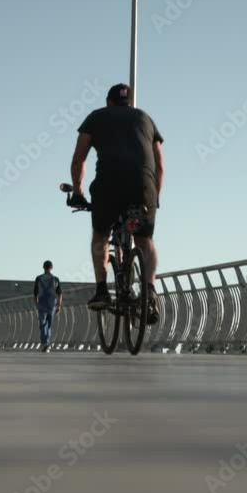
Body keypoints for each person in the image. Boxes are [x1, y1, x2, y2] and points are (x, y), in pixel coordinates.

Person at [69, 83, 164, 321]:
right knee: (144, 239)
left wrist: (78, 192)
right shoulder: (145, 118)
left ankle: (102, 290)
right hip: (143, 186)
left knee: (101, 234)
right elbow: (160, 165)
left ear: (109, 101)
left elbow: (79, 159)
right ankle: (150, 291)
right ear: (130, 102)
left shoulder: (96, 117)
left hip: (109, 185)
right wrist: (155, 197)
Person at [33, 260, 62, 352]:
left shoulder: (38, 278)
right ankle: (47, 344)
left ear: (43, 267)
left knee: (42, 324)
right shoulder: (55, 279)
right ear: (51, 268)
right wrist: (59, 305)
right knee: (49, 325)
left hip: (41, 303)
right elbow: (60, 294)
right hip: (52, 304)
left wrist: (36, 303)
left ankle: (44, 343)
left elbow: (35, 293)